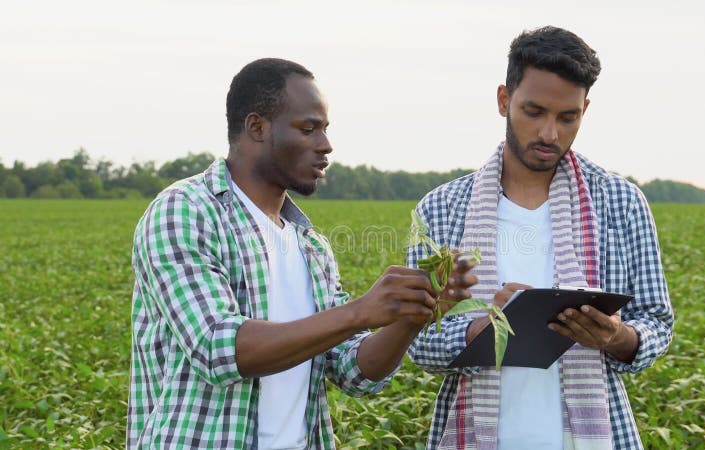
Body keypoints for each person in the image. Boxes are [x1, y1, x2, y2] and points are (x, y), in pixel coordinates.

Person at [126, 58, 477, 449]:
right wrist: (360, 311)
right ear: (257, 127)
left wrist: (412, 314)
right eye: (308, 129)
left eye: (325, 129)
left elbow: (354, 372)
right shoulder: (186, 210)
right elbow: (217, 347)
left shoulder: (310, 245)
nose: (325, 145)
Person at [407, 26, 674, 450]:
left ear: (585, 108)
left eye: (568, 117)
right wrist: (486, 331)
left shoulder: (621, 203)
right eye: (534, 111)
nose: (550, 133)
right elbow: (417, 339)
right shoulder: (441, 210)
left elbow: (656, 322)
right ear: (503, 100)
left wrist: (614, 336)